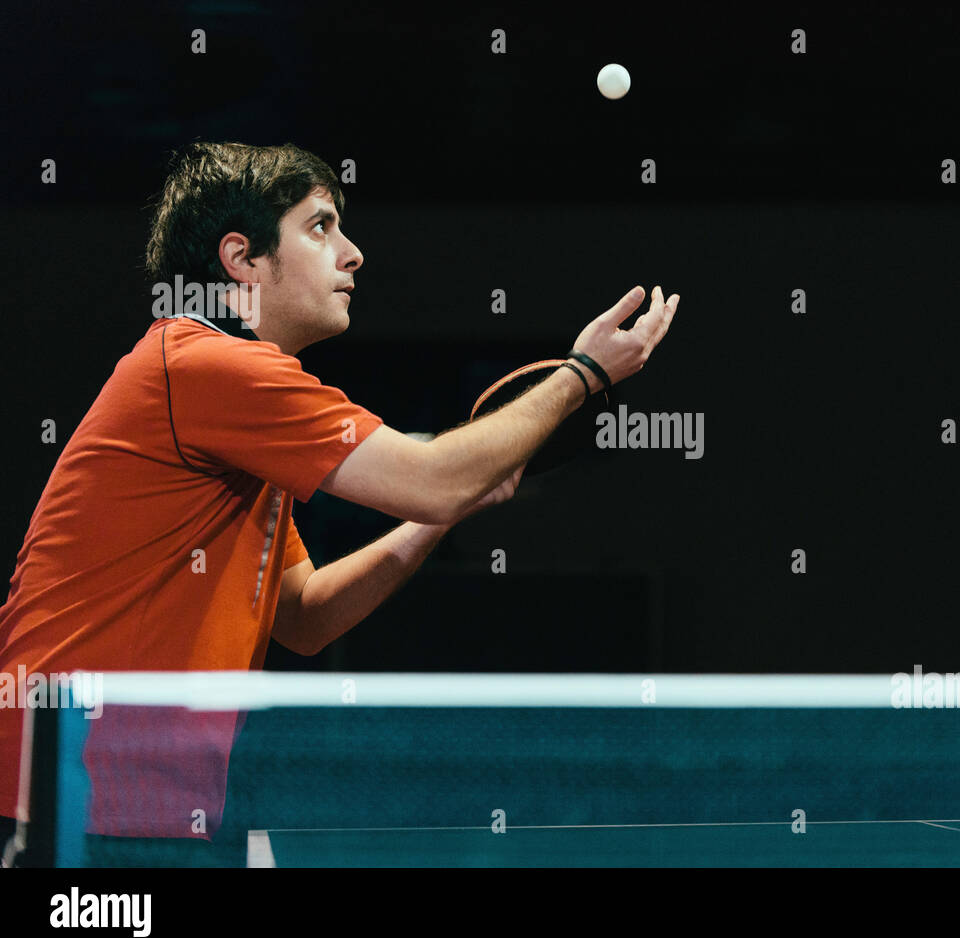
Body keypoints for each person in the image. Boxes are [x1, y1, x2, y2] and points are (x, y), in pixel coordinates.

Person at [0, 141, 679, 865]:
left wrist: (436, 516)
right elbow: (434, 474)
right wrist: (584, 374)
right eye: (320, 227)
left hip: (161, 808)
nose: (352, 254)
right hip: (63, 795)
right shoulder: (205, 365)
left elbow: (306, 613)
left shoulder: (238, 415)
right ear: (242, 257)